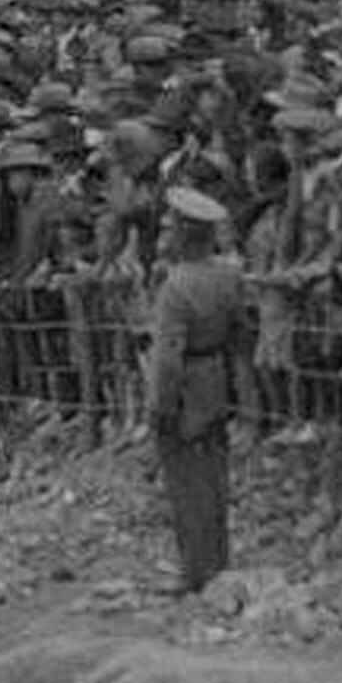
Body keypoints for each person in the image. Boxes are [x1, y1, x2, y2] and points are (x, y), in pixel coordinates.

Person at [145, 183, 249, 595]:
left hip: (185, 385)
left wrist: (161, 406)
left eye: (171, 229)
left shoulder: (175, 286)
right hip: (215, 378)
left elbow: (168, 357)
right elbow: (241, 333)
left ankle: (196, 569)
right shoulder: (228, 276)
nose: (165, 235)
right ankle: (218, 561)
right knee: (214, 477)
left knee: (185, 481)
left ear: (184, 235)